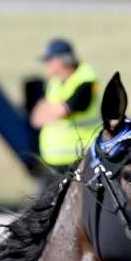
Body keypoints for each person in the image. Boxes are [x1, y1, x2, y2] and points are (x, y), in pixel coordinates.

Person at [30, 38, 101, 172]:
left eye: (50, 60)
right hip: (52, 162)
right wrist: (55, 110)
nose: (47, 64)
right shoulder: (54, 83)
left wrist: (53, 110)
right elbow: (36, 118)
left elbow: (64, 111)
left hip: (81, 159)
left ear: (62, 60)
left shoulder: (86, 80)